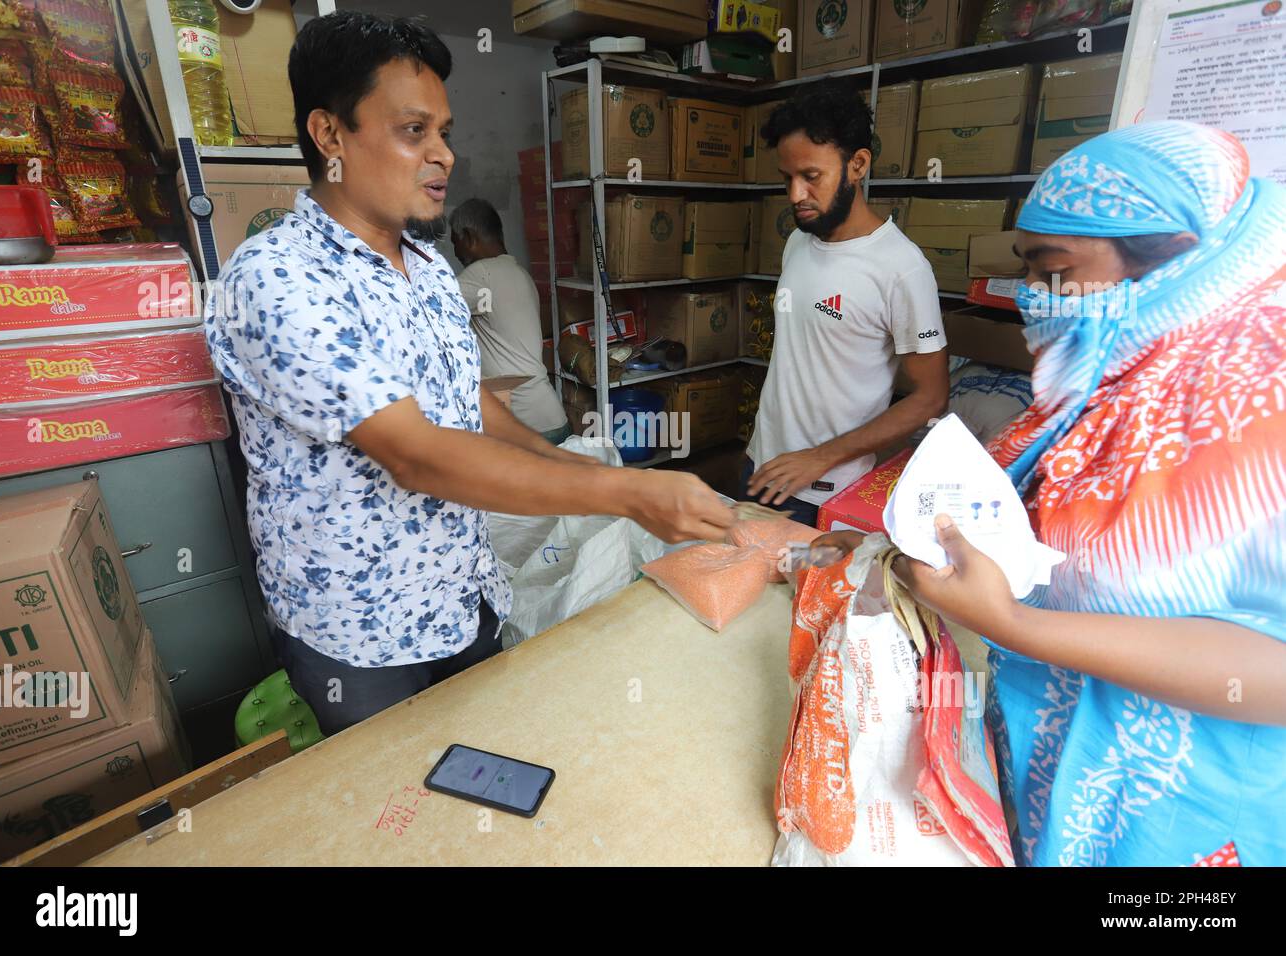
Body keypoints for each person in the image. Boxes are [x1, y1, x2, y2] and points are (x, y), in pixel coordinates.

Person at [203, 12, 733, 736]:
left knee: (486, 763)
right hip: (363, 635)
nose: (444, 155)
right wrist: (629, 492)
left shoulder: (428, 269)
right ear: (330, 135)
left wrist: (556, 457)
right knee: (400, 808)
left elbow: (463, 403)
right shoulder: (276, 278)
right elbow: (414, 452)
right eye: (413, 131)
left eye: (444, 132)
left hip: (465, 591)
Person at [817, 122, 1286, 865]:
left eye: (1054, 269)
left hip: (1177, 818)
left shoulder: (1262, 399)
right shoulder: (1108, 369)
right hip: (1042, 771)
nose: (1034, 297)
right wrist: (889, 552)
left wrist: (1012, 624)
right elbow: (1028, 527)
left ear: (1179, 252)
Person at [744, 82, 950, 526]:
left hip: (825, 488)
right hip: (763, 463)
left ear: (857, 164)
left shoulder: (901, 269)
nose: (795, 195)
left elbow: (930, 397)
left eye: (811, 177)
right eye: (787, 178)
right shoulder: (799, 242)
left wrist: (820, 457)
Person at [449, 198, 570, 445]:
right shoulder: (520, 273)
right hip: (551, 417)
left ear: (469, 237)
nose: (456, 253)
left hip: (526, 428)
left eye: (455, 243)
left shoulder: (481, 274)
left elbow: (425, 309)